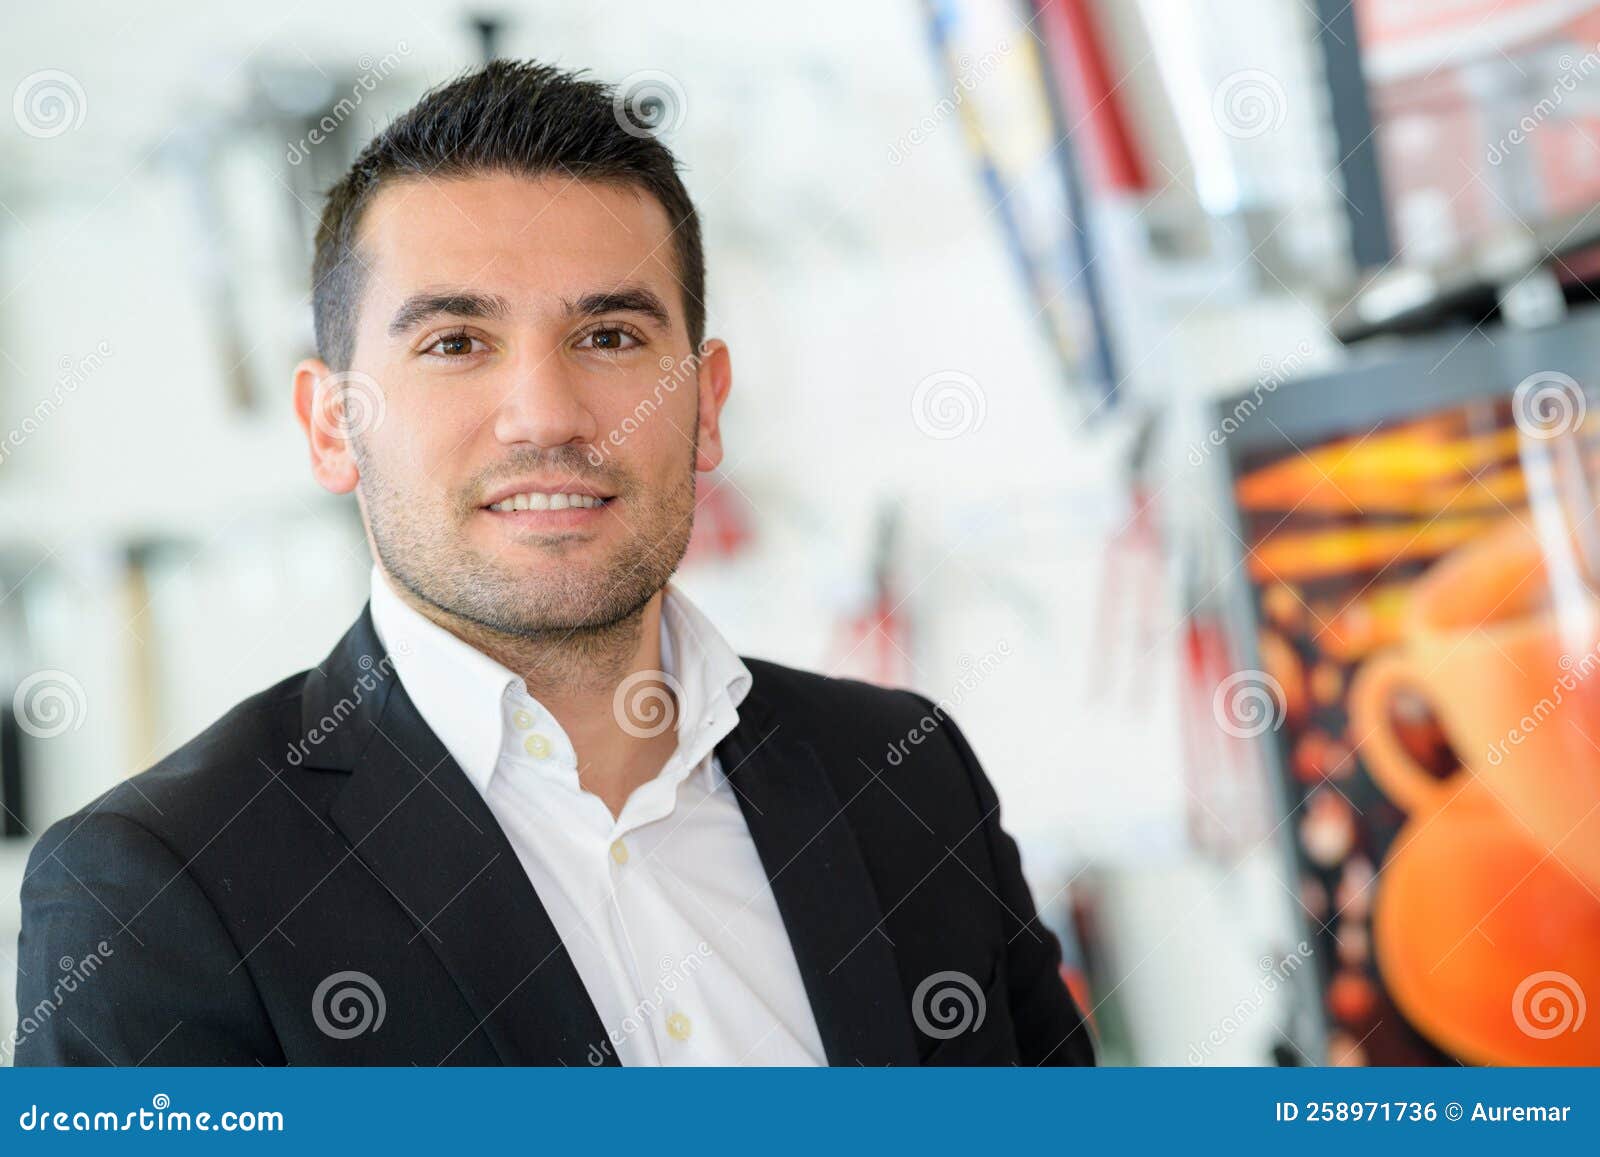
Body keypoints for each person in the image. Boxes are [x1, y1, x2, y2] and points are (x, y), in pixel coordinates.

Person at [14, 60, 1094, 1067]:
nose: (545, 414)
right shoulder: (153, 890)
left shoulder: (907, 776)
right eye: (454, 343)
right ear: (332, 424)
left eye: (610, 336)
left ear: (705, 405)